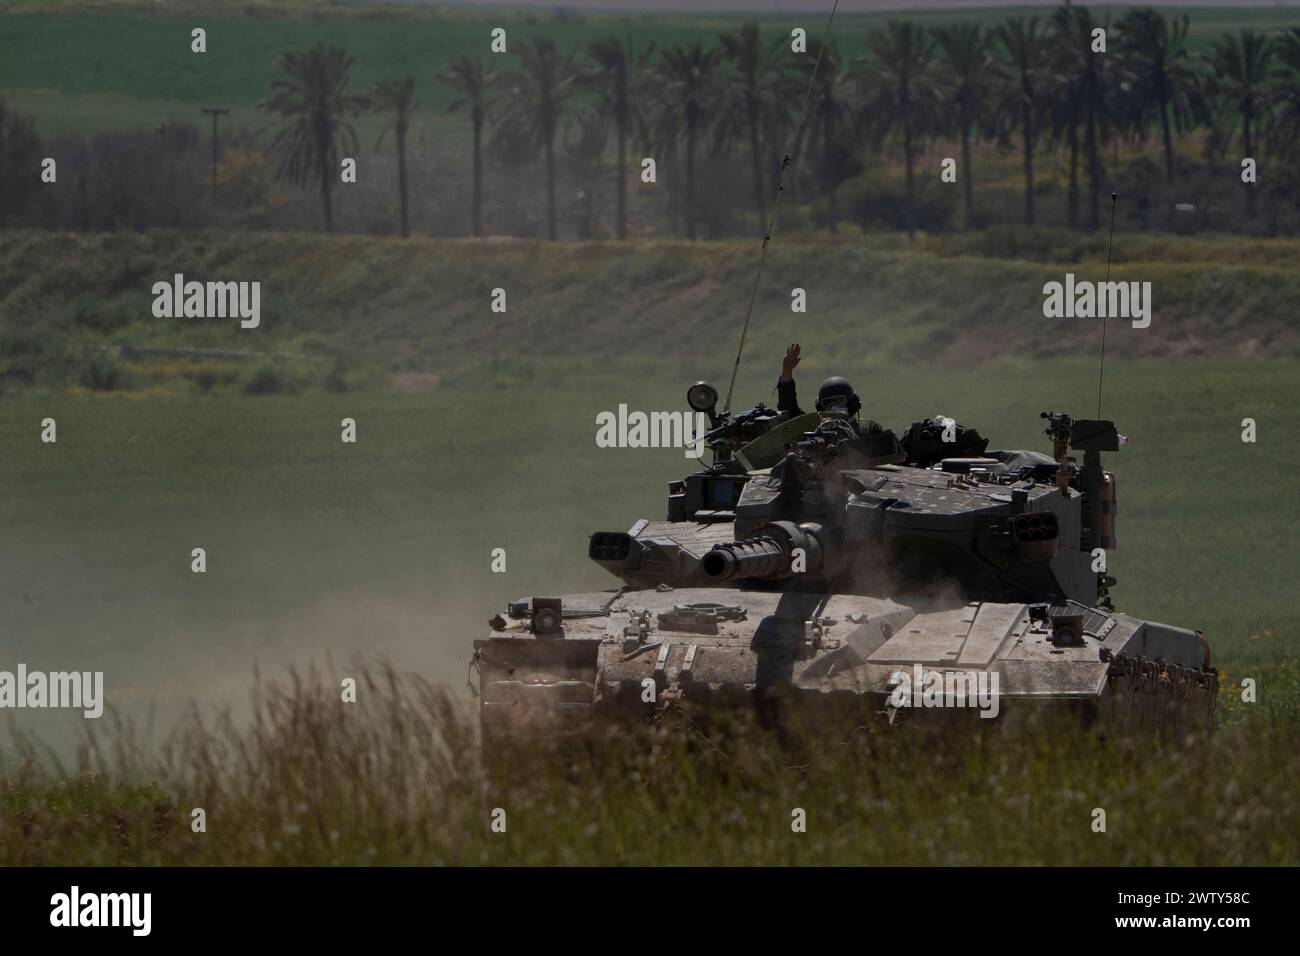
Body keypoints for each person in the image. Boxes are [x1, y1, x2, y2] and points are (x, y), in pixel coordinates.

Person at [776, 343, 884, 436]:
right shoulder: (814, 431)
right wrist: (786, 371)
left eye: (839, 401)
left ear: (852, 402)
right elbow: (789, 410)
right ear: (820, 407)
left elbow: (895, 454)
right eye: (827, 403)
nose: (833, 407)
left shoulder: (869, 430)